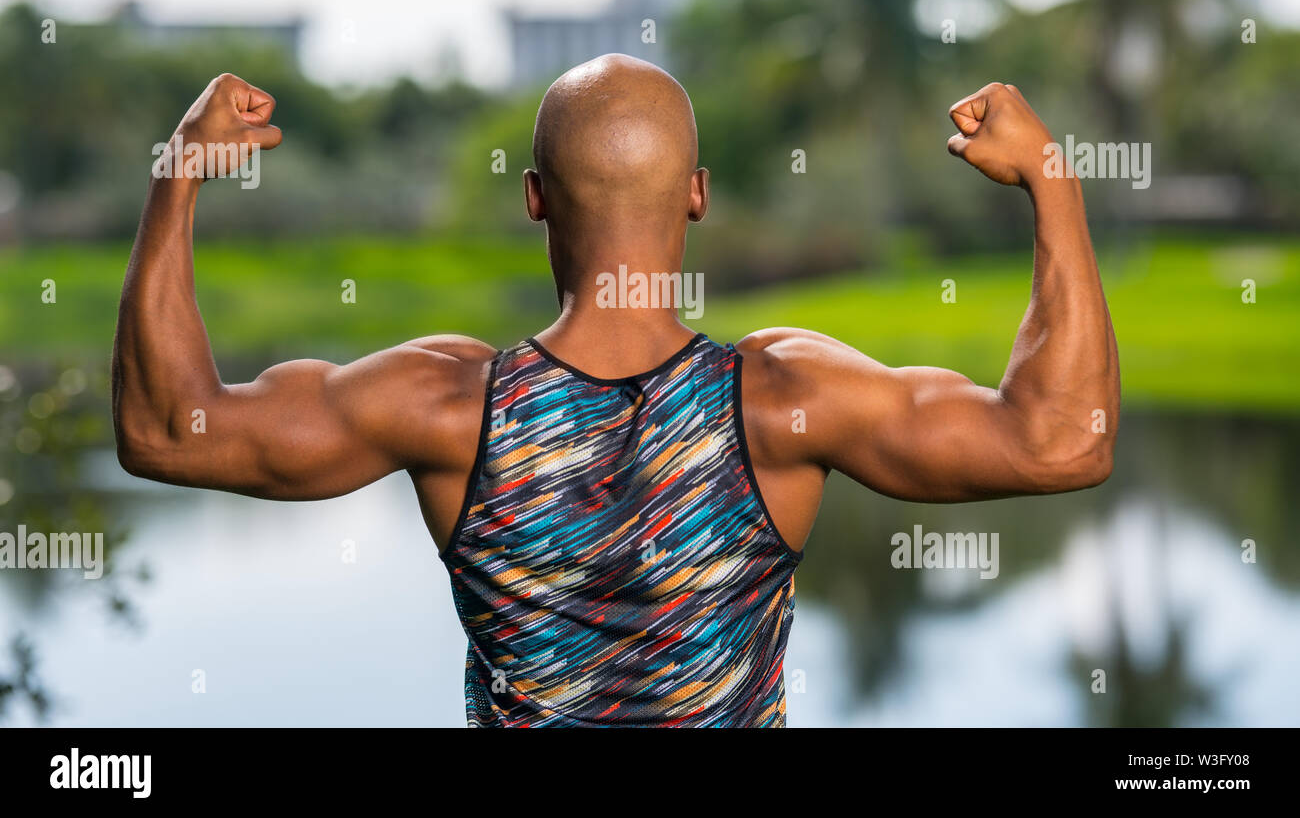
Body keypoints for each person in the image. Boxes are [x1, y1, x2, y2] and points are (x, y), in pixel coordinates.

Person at [112, 54, 1119, 726]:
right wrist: (1054, 183)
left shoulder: (446, 406)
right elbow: (1063, 439)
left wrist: (181, 169)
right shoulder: (780, 399)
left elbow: (166, 432)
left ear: (534, 198)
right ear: (696, 194)